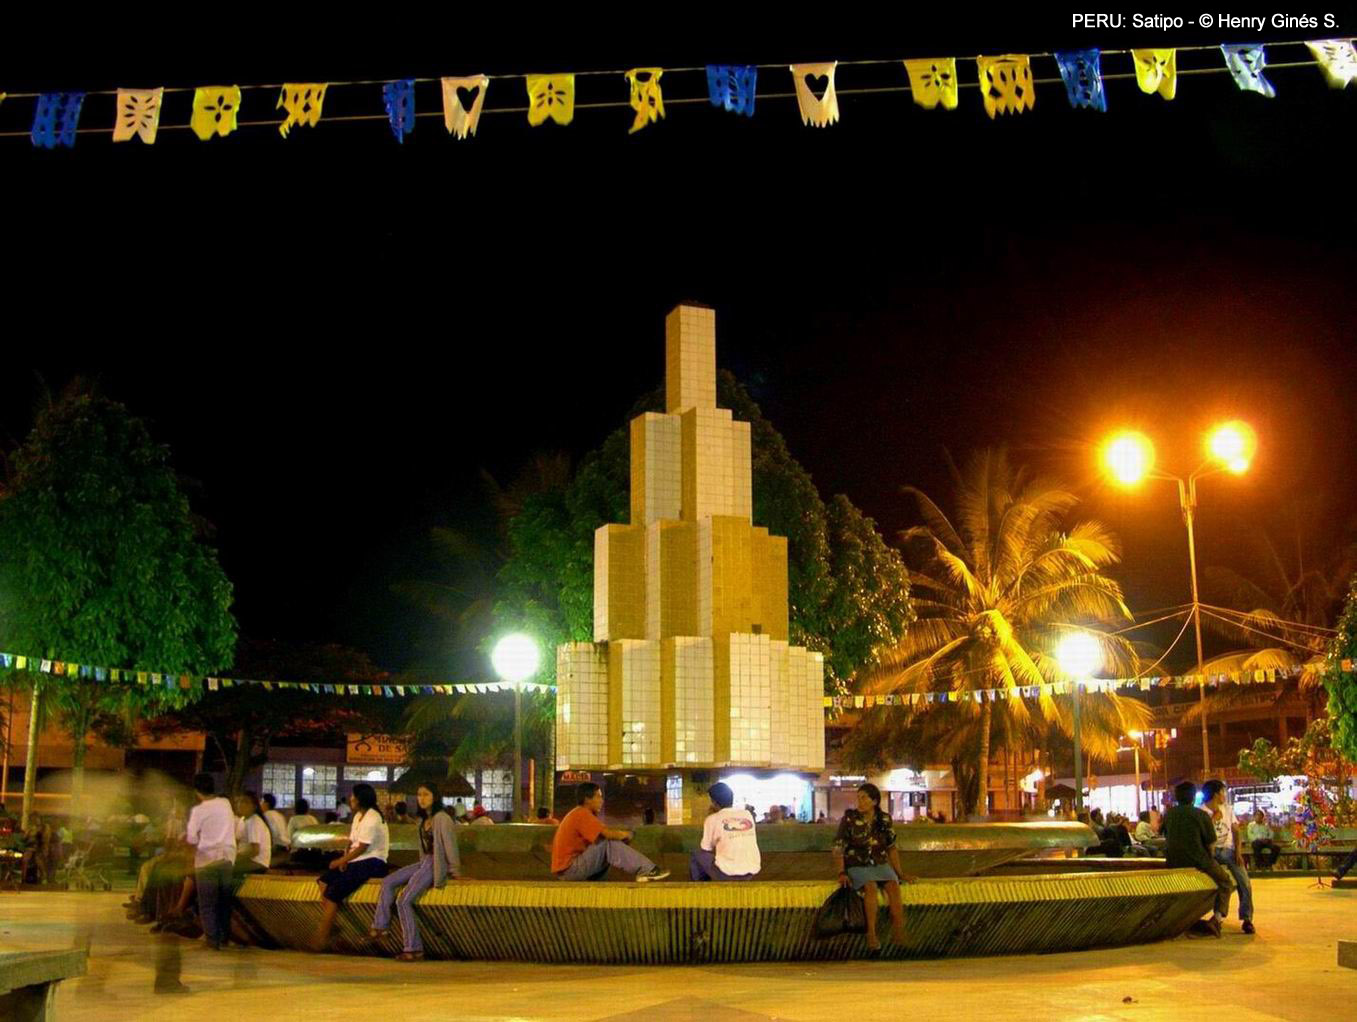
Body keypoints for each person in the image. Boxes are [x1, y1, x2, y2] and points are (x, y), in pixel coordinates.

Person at [370, 783, 460, 960]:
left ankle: (413, 948)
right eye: (419, 795)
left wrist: (455, 870)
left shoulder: (442, 818)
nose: (422, 799)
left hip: (434, 863)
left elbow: (451, 846)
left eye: (426, 795)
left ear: (435, 797)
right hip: (423, 862)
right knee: (388, 882)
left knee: (403, 901)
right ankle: (380, 926)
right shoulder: (421, 821)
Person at [833, 783, 918, 953]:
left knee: (893, 886)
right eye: (858, 797)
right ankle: (871, 933)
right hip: (857, 863)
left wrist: (899, 873)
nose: (860, 801)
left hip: (879, 863)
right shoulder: (849, 818)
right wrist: (841, 872)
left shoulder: (884, 819)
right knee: (870, 887)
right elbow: (838, 847)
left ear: (874, 801)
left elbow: (891, 847)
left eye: (864, 797)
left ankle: (898, 930)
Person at [313, 784, 390, 951]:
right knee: (323, 881)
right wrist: (344, 858)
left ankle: (322, 936)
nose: (351, 799)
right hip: (357, 860)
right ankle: (332, 926)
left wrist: (342, 861)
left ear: (361, 798)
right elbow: (352, 842)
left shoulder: (373, 817)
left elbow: (363, 847)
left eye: (353, 796)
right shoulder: (358, 817)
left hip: (373, 861)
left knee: (333, 894)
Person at [552, 782, 669, 881]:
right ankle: (647, 870)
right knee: (606, 842)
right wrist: (627, 834)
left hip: (569, 869)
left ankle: (599, 883)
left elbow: (603, 833)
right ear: (587, 799)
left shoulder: (579, 813)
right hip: (570, 870)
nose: (601, 801)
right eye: (598, 797)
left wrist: (621, 838)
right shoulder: (581, 813)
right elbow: (607, 834)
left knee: (608, 843)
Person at [1163, 781, 1234, 938]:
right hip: (1199, 860)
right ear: (1193, 797)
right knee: (1225, 882)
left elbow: (1165, 835)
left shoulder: (1169, 815)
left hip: (1173, 861)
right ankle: (1216, 919)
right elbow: (1211, 844)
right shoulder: (1200, 815)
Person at [185, 773, 237, 950]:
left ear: (197, 791)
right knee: (224, 902)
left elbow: (191, 838)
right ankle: (224, 938)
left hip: (206, 861)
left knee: (207, 903)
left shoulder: (198, 811)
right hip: (227, 858)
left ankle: (212, 940)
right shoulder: (225, 804)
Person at [1202, 780, 1254, 934]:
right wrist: (1213, 819)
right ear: (1216, 794)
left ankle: (1247, 918)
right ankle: (1216, 918)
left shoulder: (1228, 810)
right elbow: (1204, 835)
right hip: (1210, 852)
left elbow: (1236, 831)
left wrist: (1238, 852)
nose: (1225, 795)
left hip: (1228, 851)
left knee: (1244, 882)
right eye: (1223, 792)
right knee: (1223, 884)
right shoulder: (1202, 812)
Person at [689, 782, 760, 881]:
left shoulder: (712, 819)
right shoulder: (747, 814)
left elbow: (706, 848)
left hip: (727, 872)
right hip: (752, 869)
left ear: (714, 802)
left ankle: (702, 890)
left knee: (697, 855)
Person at [234, 792, 272, 876]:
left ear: (254, 807)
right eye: (239, 801)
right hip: (246, 859)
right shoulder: (242, 820)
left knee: (225, 870)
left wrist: (235, 859)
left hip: (257, 862)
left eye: (245, 802)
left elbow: (255, 851)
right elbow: (235, 842)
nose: (240, 804)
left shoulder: (254, 821)